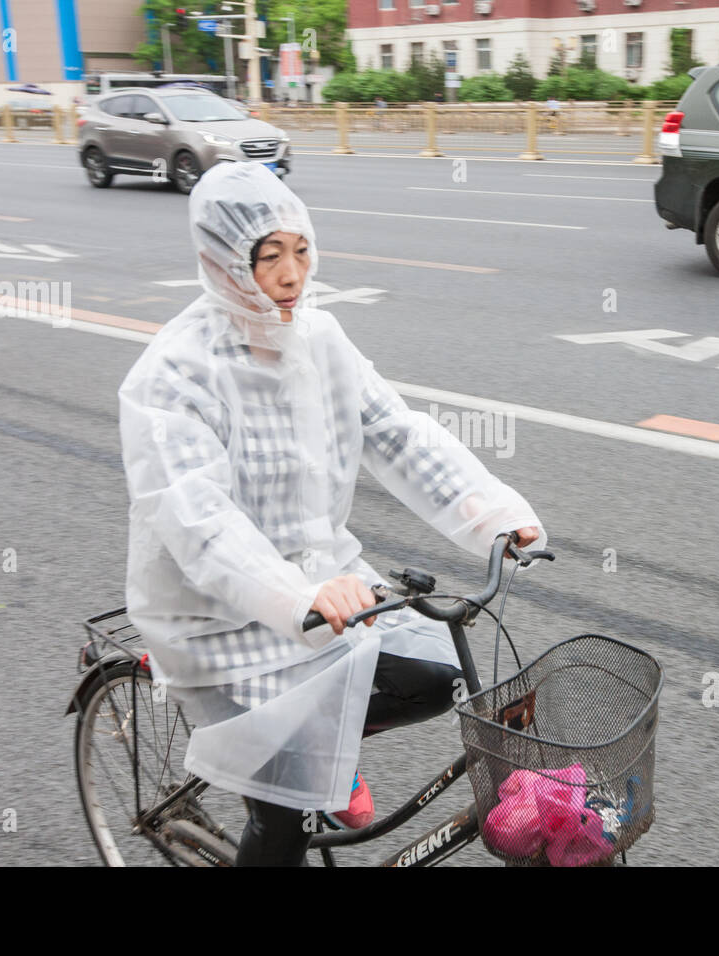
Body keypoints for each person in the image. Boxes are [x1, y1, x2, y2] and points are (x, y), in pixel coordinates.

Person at [118, 161, 546, 867]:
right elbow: (199, 521)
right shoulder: (173, 375)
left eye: (301, 250)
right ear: (221, 263)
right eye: (267, 256)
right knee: (281, 818)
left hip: (326, 585)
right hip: (220, 616)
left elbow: (400, 435)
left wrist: (496, 515)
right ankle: (298, 772)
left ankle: (328, 745)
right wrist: (297, 594)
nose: (291, 274)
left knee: (435, 676)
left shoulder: (321, 340)